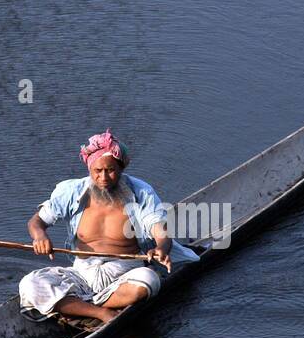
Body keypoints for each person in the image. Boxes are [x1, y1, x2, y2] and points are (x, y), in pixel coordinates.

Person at [19, 129, 199, 324]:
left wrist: (161, 248)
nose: (103, 177)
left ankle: (77, 306)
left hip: (125, 273)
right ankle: (101, 312)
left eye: (110, 170)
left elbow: (160, 230)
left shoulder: (141, 192)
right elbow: (36, 222)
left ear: (121, 168)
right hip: (82, 274)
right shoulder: (71, 191)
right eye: (98, 171)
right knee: (30, 284)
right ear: (89, 169)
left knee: (149, 281)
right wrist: (39, 236)